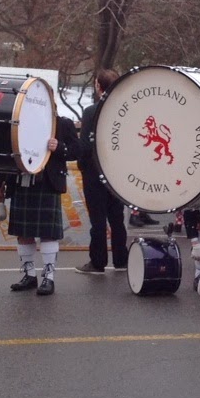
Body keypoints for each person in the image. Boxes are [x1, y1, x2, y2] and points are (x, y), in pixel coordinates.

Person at [0, 115, 80, 296]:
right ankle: (29, 275)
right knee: (23, 232)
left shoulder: (62, 124)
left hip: (48, 183)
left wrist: (59, 148)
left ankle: (49, 277)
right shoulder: (18, 121)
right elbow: (6, 151)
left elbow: (77, 150)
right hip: (20, 180)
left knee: (48, 234)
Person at [75, 70, 128, 275]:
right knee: (117, 219)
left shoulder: (91, 111)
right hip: (116, 172)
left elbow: (85, 146)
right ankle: (121, 259)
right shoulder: (124, 110)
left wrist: (82, 165)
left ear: (98, 86)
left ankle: (98, 262)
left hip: (94, 171)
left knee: (98, 220)